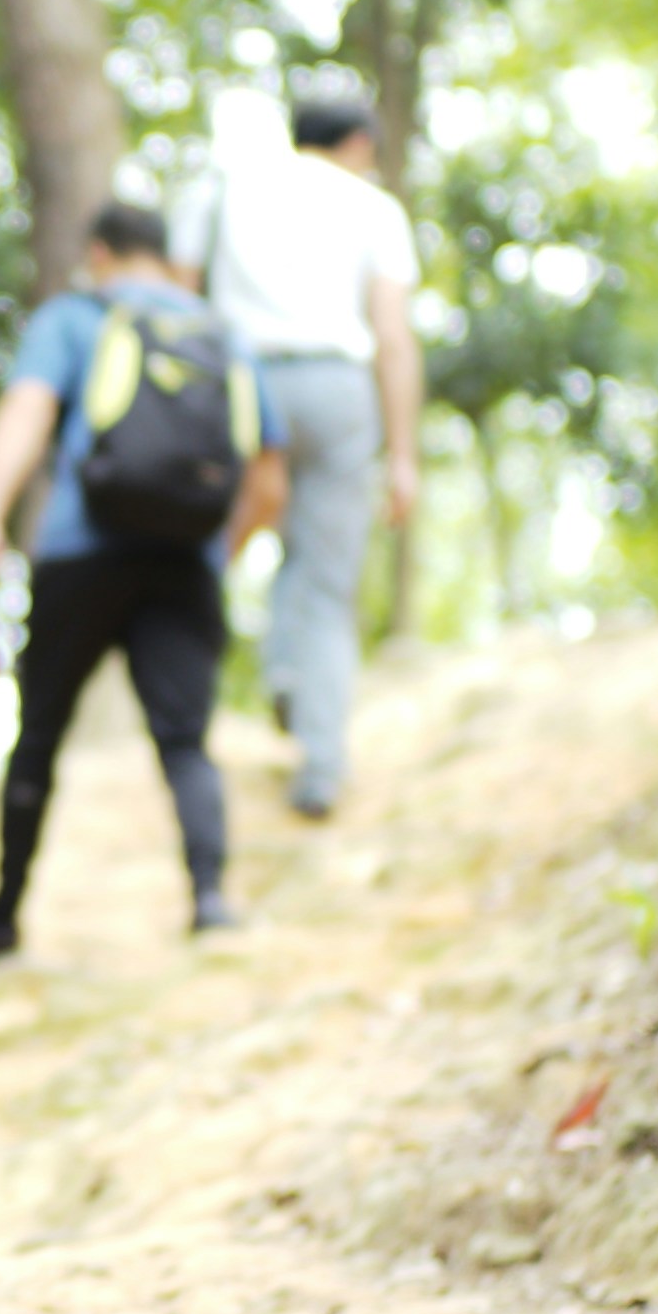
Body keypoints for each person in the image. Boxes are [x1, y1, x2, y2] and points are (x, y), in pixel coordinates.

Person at [0, 202, 288, 958]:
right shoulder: (223, 335)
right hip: (186, 562)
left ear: (99, 253)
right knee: (186, 741)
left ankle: (2, 916)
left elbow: (27, 413)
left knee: (38, 737)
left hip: (81, 550)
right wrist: (216, 554)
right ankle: (211, 900)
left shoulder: (75, 317)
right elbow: (267, 483)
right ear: (163, 256)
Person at [174, 74, 426, 821]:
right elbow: (393, 336)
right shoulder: (372, 207)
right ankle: (320, 757)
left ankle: (274, 677)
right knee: (324, 575)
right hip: (336, 389)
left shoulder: (220, 191)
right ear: (358, 144)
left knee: (230, 548)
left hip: (238, 385)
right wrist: (403, 452)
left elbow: (185, 305)